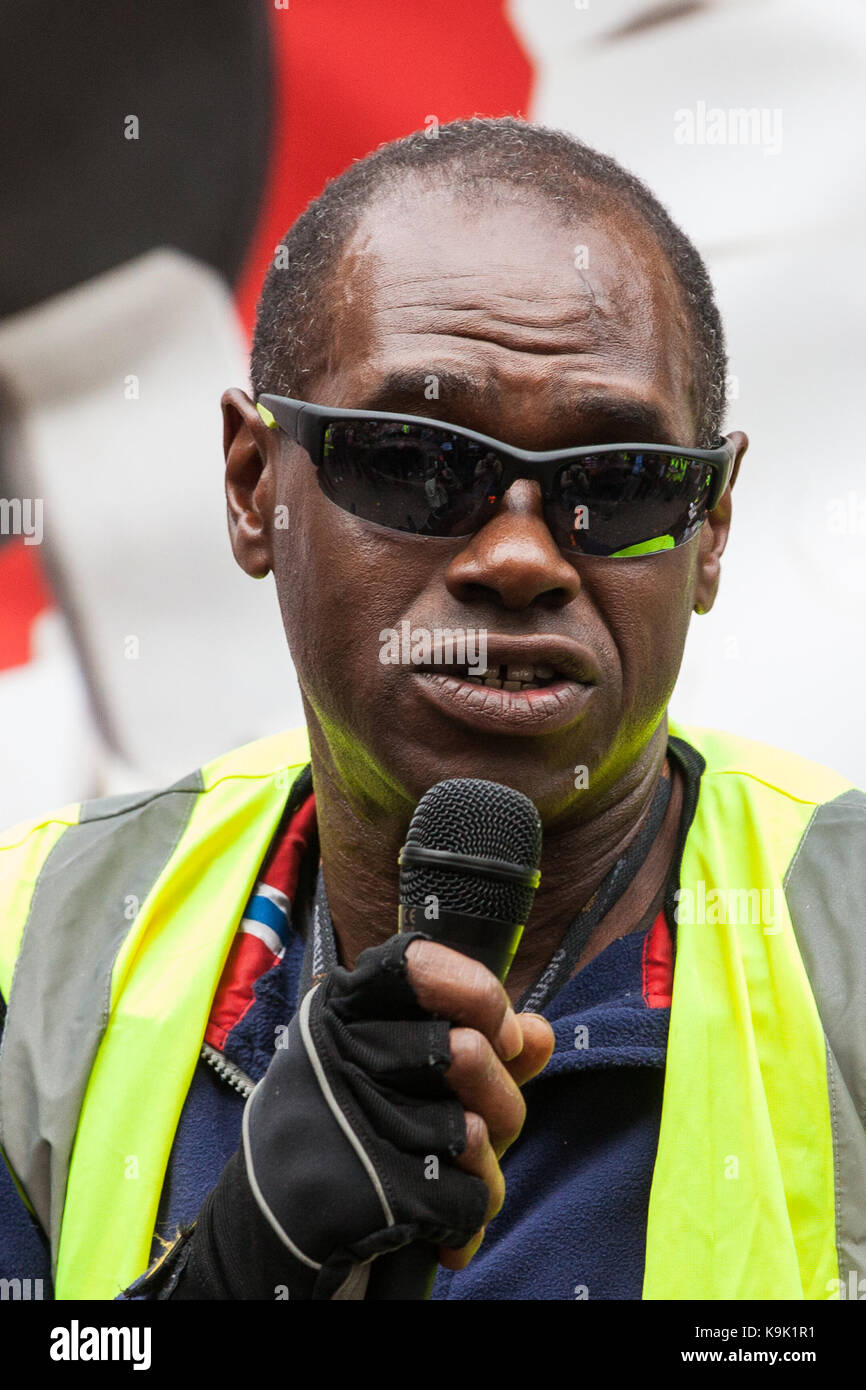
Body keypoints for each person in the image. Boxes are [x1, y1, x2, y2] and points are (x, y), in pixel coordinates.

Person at [0, 117, 863, 1302]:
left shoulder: (846, 950)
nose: (517, 557)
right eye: (413, 460)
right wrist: (230, 1276)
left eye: (614, 483)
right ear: (255, 488)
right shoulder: (32, 960)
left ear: (708, 531)